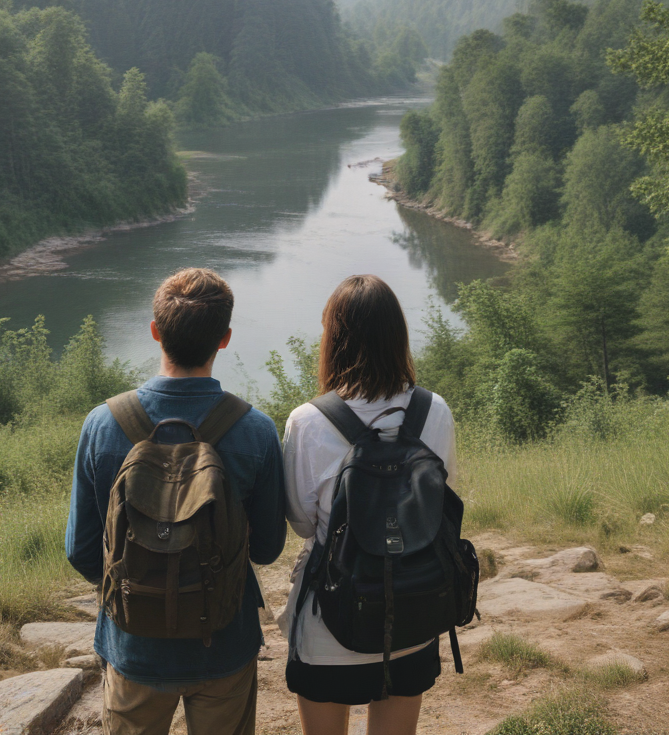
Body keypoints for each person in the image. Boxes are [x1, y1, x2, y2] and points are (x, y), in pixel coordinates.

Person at [66, 267, 287, 735]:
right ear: (224, 339)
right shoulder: (255, 431)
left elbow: (80, 549)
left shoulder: (102, 425)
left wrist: (132, 588)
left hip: (134, 647)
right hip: (224, 644)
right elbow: (267, 548)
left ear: (154, 333)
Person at [280, 274, 457, 735]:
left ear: (333, 340)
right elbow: (439, 502)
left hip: (330, 619)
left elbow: (301, 524)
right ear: (397, 336)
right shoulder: (433, 409)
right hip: (413, 609)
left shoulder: (307, 421)